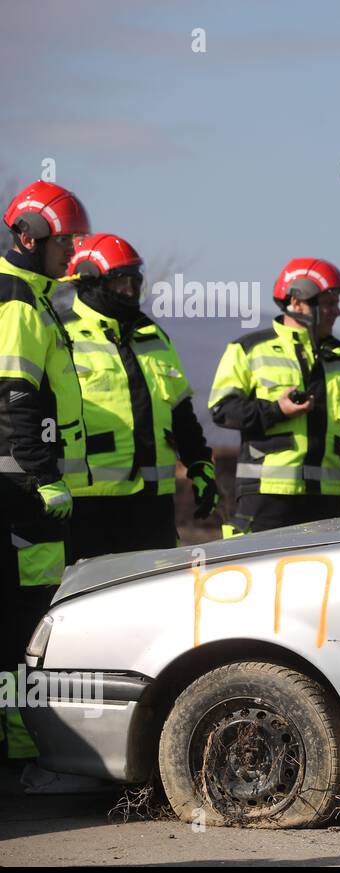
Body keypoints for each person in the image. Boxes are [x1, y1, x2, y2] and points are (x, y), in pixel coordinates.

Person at [208, 257, 340, 535]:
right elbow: (222, 410)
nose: (337, 311)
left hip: (325, 500)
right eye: (329, 303)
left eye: (337, 303)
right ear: (298, 302)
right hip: (267, 496)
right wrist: (276, 410)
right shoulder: (248, 349)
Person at [0, 181, 92, 760]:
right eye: (65, 241)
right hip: (20, 491)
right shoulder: (17, 301)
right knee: (25, 622)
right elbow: (15, 398)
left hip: (23, 485)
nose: (73, 252)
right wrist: (43, 476)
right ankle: (21, 750)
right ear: (29, 237)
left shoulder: (32, 297)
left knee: (28, 618)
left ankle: (20, 746)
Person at [62, 233, 217, 560]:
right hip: (86, 506)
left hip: (153, 506)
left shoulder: (153, 335)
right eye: (120, 283)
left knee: (152, 600)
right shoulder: (58, 332)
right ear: (89, 281)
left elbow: (181, 412)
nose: (130, 292)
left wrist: (200, 464)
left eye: (135, 283)